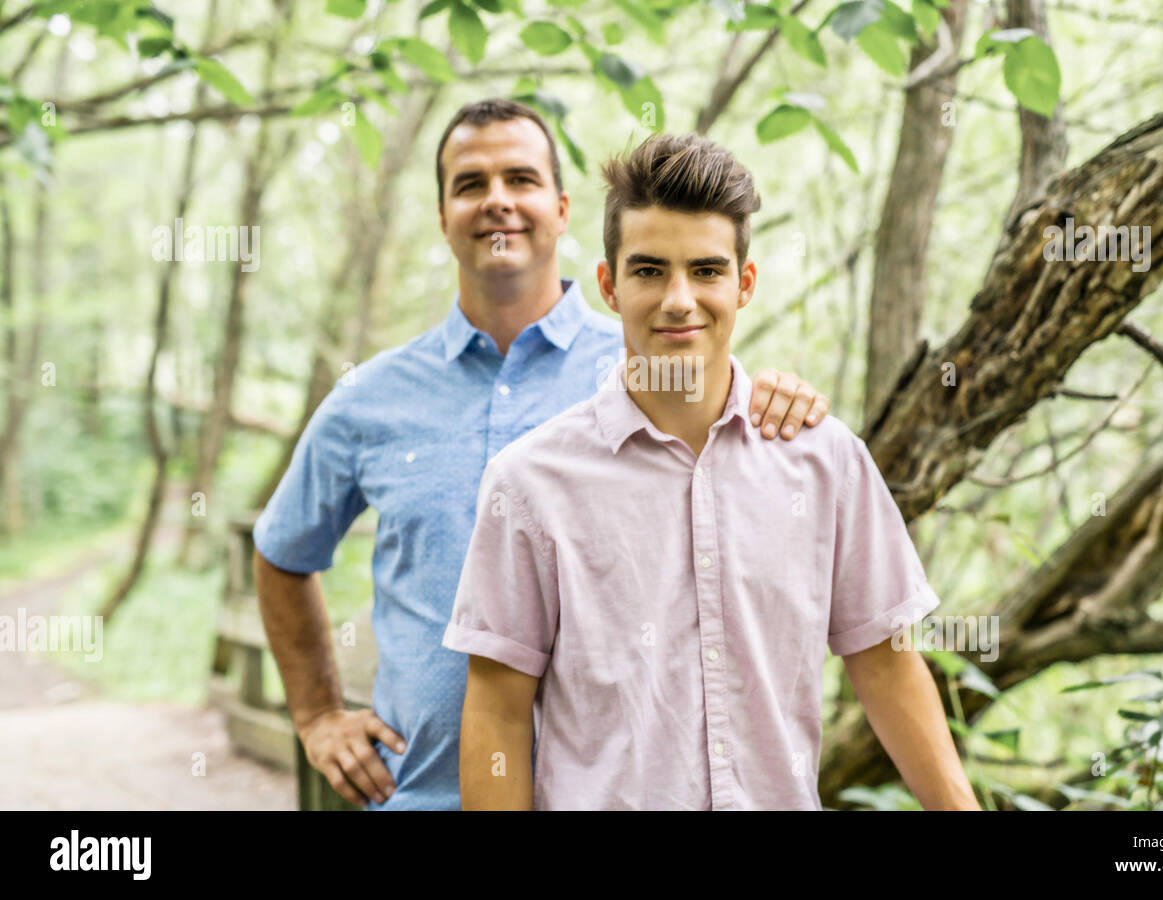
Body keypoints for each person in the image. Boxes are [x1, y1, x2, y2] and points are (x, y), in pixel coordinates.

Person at [252, 99, 831, 810]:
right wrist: (316, 716)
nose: (497, 201)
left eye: (520, 179)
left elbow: (725, 442)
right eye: (470, 185)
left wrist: (784, 398)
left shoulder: (645, 369)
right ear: (442, 218)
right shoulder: (368, 400)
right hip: (419, 796)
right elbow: (282, 551)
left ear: (560, 209)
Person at [444, 132, 980, 810]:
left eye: (705, 271)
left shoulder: (824, 460)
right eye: (648, 271)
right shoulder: (529, 483)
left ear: (743, 284)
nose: (678, 300)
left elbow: (887, 664)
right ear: (608, 285)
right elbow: (497, 709)